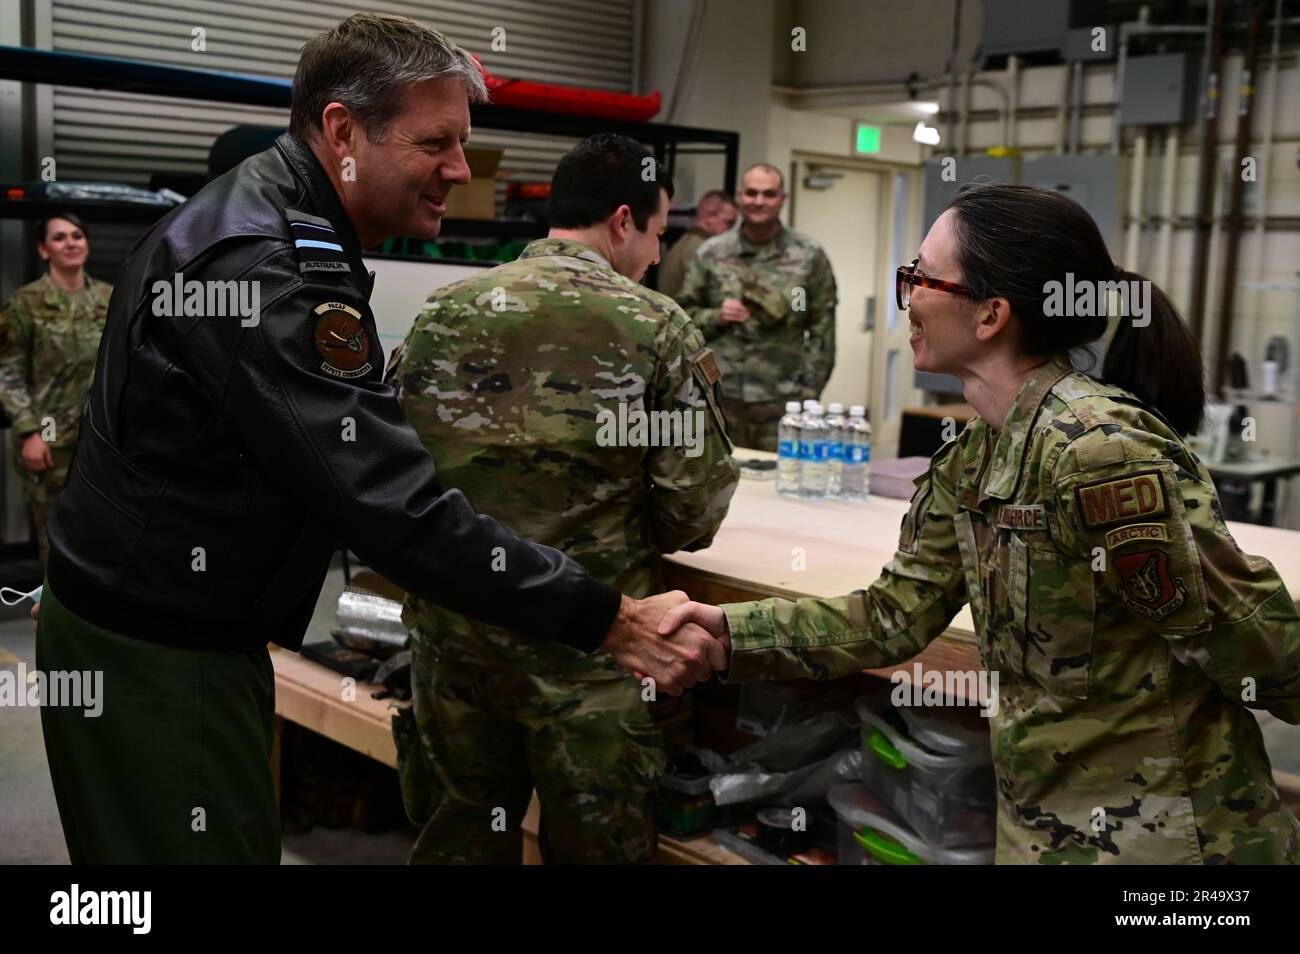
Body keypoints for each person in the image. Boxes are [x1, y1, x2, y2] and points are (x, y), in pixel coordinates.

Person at [35, 13, 725, 865]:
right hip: (158, 648)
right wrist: (610, 619)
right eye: (435, 142)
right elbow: (389, 502)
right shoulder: (261, 267)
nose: (460, 171)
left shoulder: (288, 223)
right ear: (342, 130)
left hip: (173, 622)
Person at [662, 183, 1300, 864]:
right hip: (1042, 831)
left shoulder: (1100, 453)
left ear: (992, 314)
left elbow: (1259, 648)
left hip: (1170, 845)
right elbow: (891, 617)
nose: (908, 296)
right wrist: (725, 633)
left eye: (921, 277)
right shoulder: (975, 457)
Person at [387, 134, 738, 864]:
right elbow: (691, 516)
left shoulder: (440, 314)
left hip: (456, 649)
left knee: (458, 846)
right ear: (621, 221)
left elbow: (394, 484)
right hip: (595, 659)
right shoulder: (656, 326)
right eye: (657, 232)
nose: (655, 253)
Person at [675, 163, 837, 451]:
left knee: (776, 489)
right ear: (740, 196)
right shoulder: (712, 252)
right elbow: (682, 319)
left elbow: (822, 329)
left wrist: (807, 394)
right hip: (717, 398)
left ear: (782, 199)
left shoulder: (808, 255)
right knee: (715, 487)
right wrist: (716, 316)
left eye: (768, 194)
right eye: (751, 193)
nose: (759, 201)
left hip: (781, 402)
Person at [0, 213, 110, 562]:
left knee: (102, 538)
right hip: (49, 445)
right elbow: (8, 371)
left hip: (99, 441)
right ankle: (52, 614)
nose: (71, 243)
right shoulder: (26, 303)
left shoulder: (110, 298)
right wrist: (29, 431)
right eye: (59, 237)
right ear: (43, 249)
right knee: (57, 547)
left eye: (77, 235)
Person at [657, 188, 736, 298]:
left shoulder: (686, 242)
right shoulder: (703, 249)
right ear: (710, 216)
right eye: (729, 222)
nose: (731, 229)